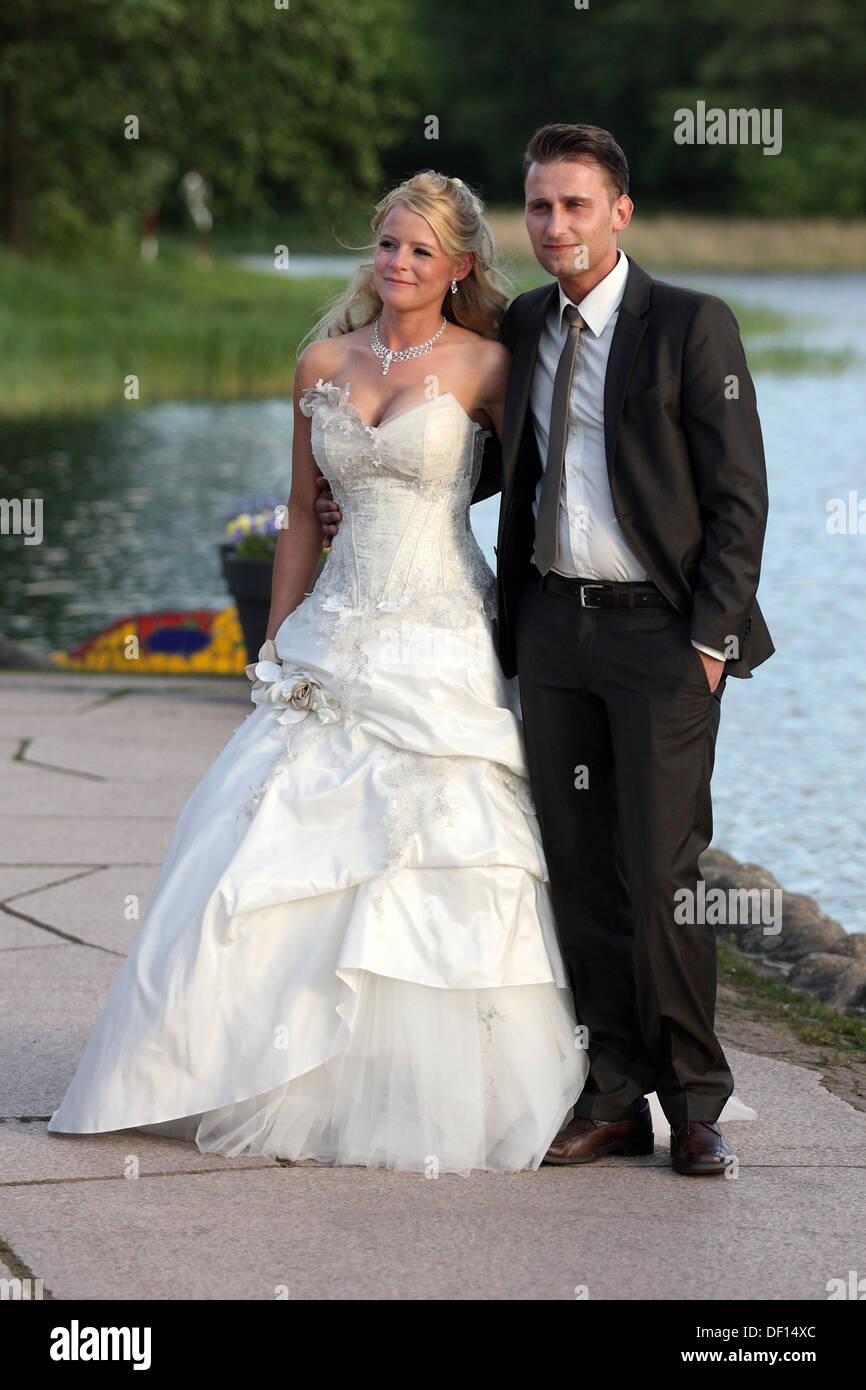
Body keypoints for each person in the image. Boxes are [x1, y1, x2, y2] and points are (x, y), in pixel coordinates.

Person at [47, 171, 593, 1176]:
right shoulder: (321, 363)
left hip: (440, 637)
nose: (397, 264)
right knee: (254, 844)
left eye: (421, 251)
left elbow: (543, 499)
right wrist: (273, 645)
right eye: (387, 244)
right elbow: (301, 515)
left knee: (435, 856)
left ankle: (437, 1086)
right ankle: (229, 1058)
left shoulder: (488, 365)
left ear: (461, 265)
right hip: (332, 636)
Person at [315, 126, 769, 1176]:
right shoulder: (524, 323)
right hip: (551, 630)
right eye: (540, 206)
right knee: (574, 873)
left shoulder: (691, 327)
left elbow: (738, 500)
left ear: (618, 210)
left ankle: (693, 1099)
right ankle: (610, 1093)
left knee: (658, 872)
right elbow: (489, 456)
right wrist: (373, 492)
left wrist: (708, 639)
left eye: (575, 204)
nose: (555, 224)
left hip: (663, 636)